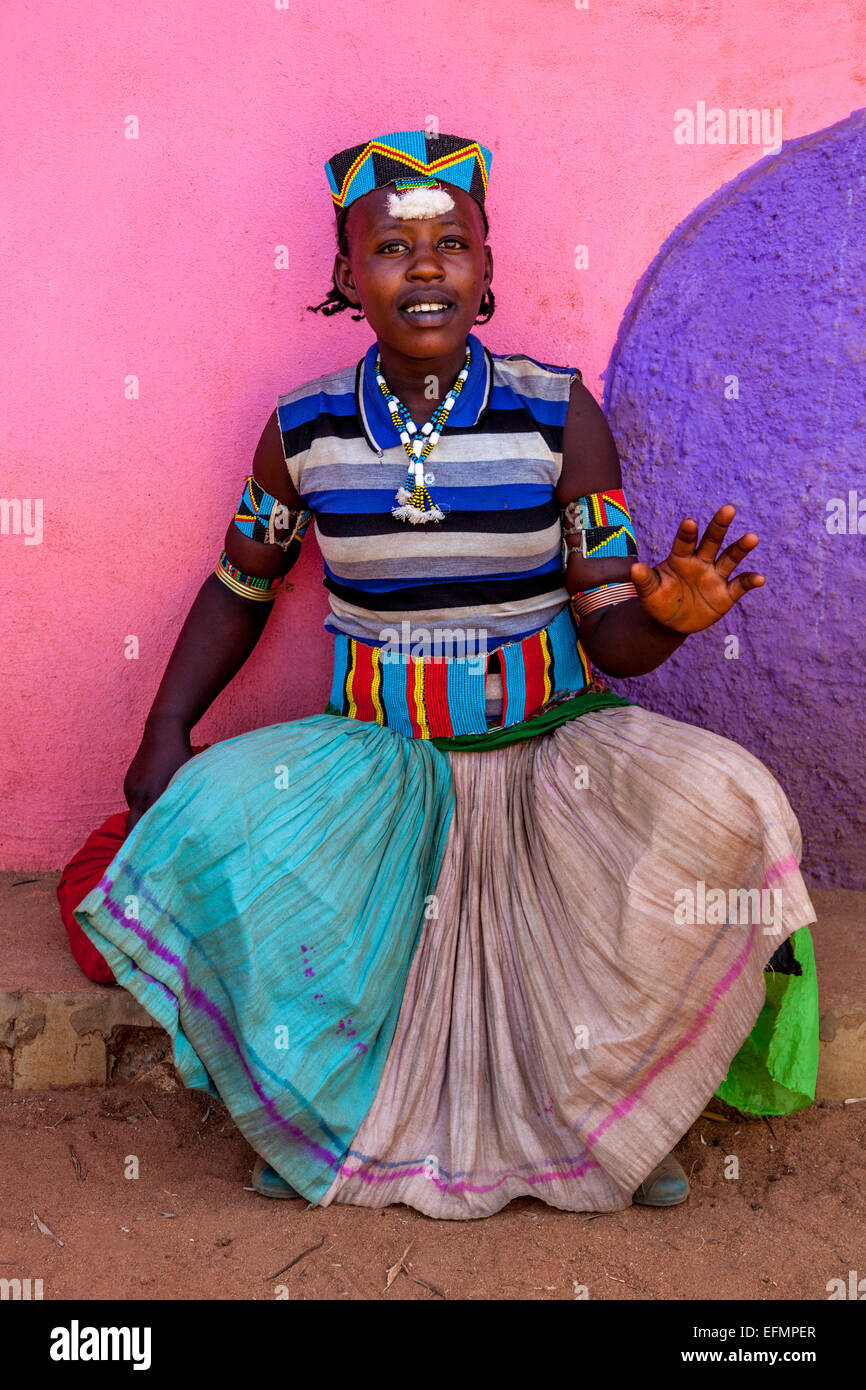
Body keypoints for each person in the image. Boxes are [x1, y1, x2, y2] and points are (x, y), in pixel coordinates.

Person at [63, 130, 819, 1219]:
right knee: (215, 813)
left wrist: (667, 621)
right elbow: (242, 582)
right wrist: (165, 733)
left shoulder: (558, 412)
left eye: (451, 244)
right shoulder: (303, 429)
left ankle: (619, 1121)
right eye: (392, 247)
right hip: (377, 763)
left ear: (487, 271)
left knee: (729, 801)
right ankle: (321, 1124)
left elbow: (610, 634)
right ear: (343, 277)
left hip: (550, 749)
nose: (425, 267)